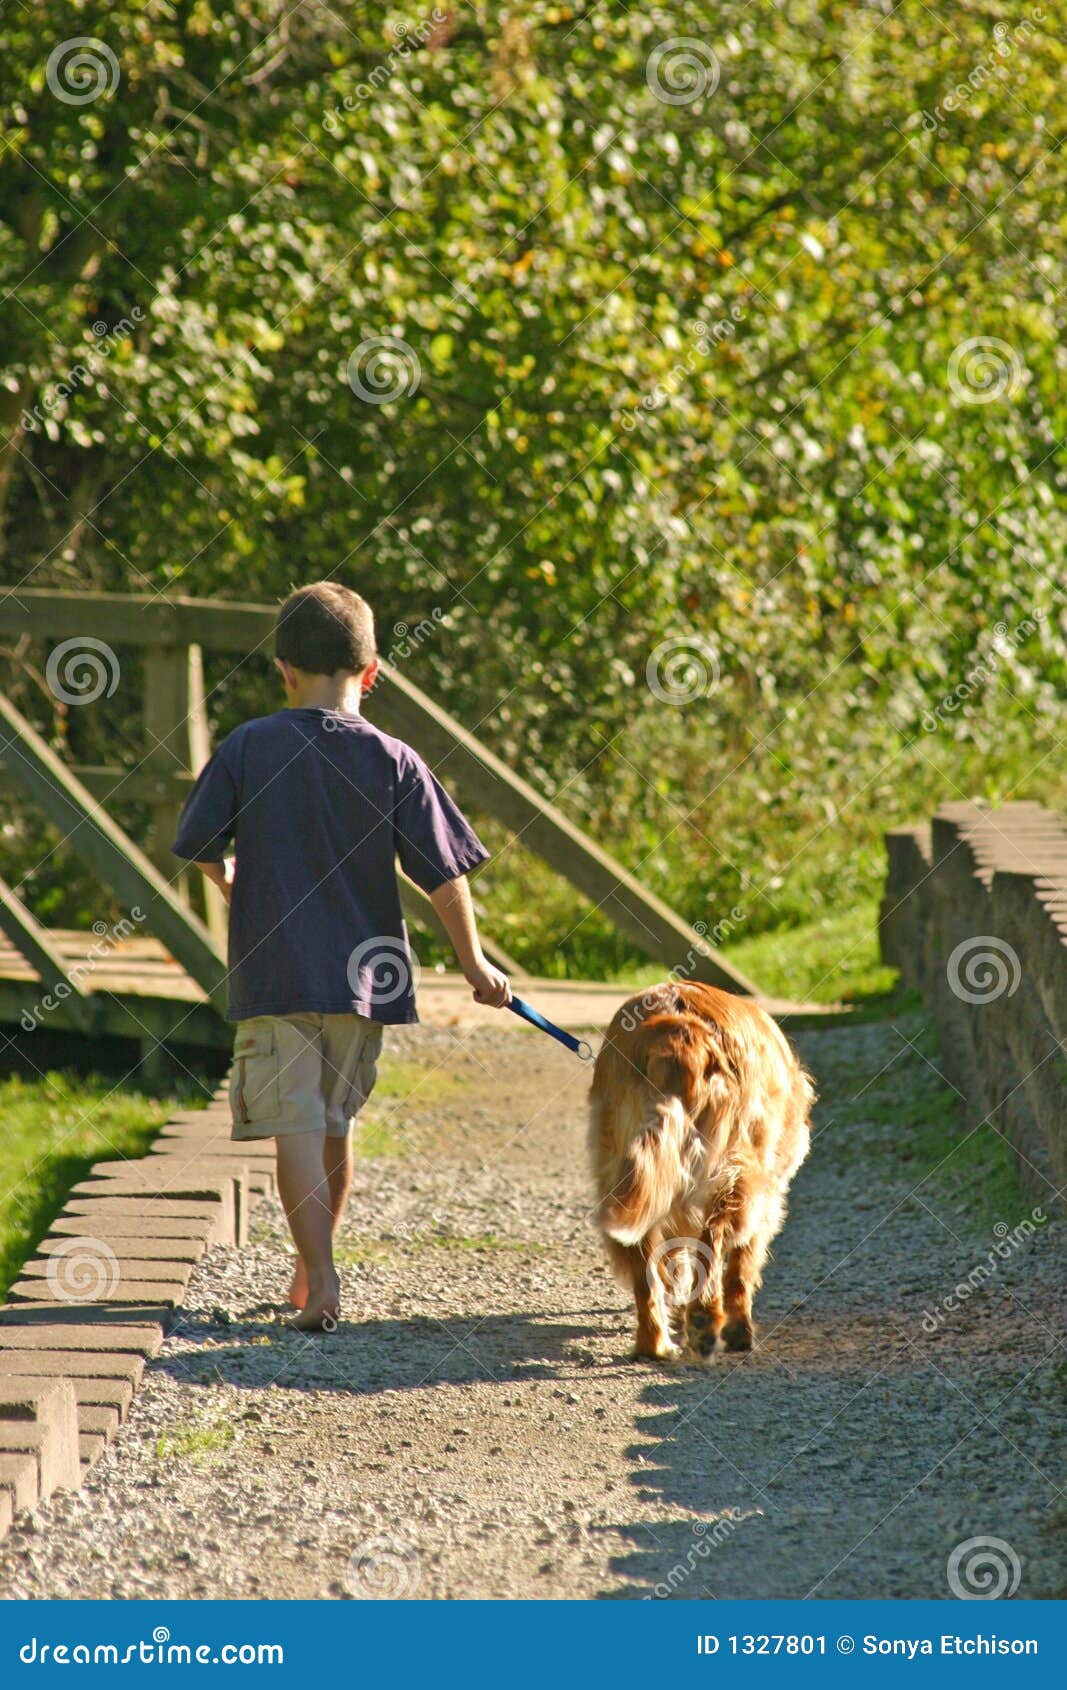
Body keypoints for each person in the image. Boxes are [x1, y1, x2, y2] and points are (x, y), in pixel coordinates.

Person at [172, 580, 511, 1330]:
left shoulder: (249, 746)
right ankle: (310, 1265)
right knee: (334, 1122)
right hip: (366, 977)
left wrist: (227, 879)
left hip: (277, 972)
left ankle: (319, 1273)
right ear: (372, 671)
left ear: (284, 671)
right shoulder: (394, 759)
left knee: (294, 1123)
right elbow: (444, 876)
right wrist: (474, 964)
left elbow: (199, 843)